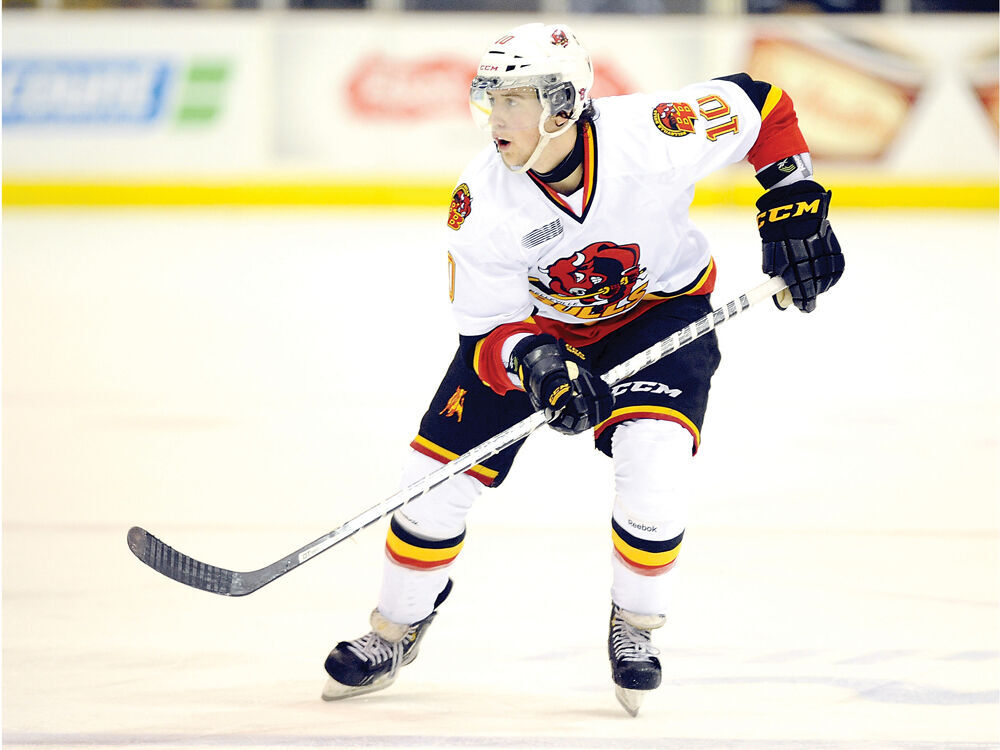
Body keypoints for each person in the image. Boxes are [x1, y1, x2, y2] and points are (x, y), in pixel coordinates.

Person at [321, 22, 844, 716]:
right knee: (429, 482)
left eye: (514, 100)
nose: (495, 118)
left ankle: (637, 624)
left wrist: (791, 200)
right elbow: (486, 332)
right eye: (491, 99)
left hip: (657, 311)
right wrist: (537, 365)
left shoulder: (653, 134)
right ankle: (396, 629)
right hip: (538, 332)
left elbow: (762, 104)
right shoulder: (481, 202)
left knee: (654, 460)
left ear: (563, 104)